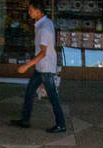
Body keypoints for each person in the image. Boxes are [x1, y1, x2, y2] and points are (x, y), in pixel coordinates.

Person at [9, 2, 65, 134]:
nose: (29, 13)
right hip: (41, 67)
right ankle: (25, 120)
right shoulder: (44, 23)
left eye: (31, 10)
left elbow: (43, 52)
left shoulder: (44, 28)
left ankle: (61, 124)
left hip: (45, 68)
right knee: (29, 92)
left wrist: (26, 65)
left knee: (52, 97)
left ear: (38, 11)